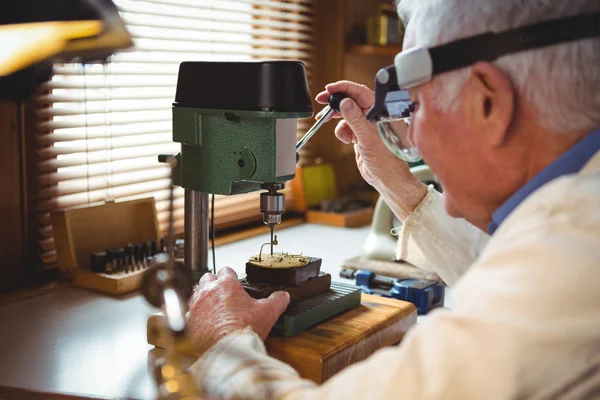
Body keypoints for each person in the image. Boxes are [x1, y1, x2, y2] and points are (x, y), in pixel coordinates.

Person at [186, 0, 600, 398]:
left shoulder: (572, 261)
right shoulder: (577, 214)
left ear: (487, 102)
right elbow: (499, 267)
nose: (411, 137)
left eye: (415, 108)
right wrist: (399, 185)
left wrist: (222, 345)